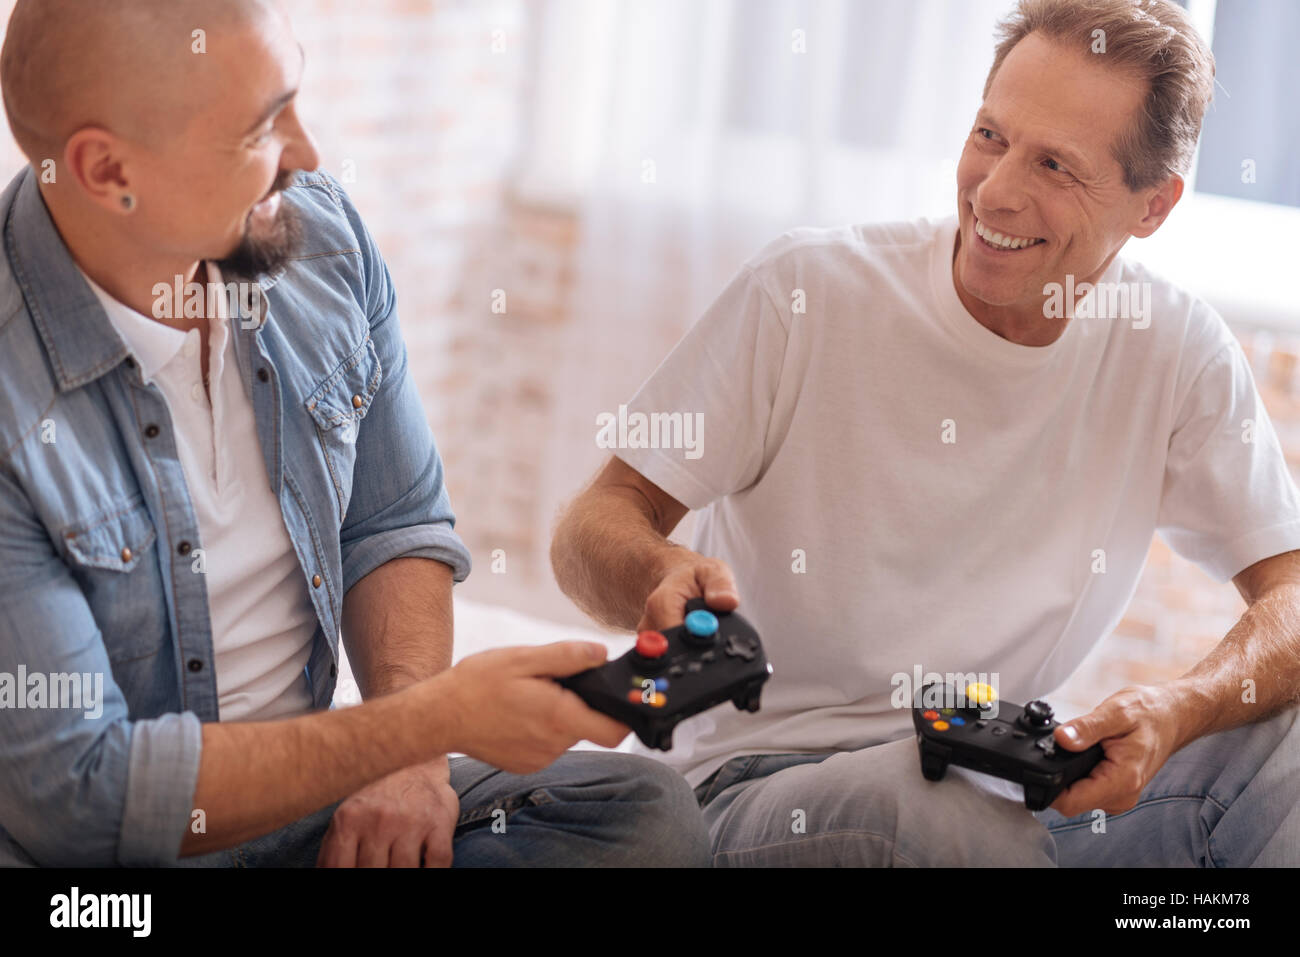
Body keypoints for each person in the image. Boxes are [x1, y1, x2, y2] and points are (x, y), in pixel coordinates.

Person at [551, 0, 1300, 866]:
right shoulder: (808, 291)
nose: (996, 190)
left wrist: (1184, 704)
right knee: (928, 803)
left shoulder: (1175, 349)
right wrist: (658, 567)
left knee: (1283, 750)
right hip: (757, 792)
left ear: (1153, 206)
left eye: (1055, 164)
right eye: (991, 135)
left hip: (998, 792)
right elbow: (593, 523)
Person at [0, 0, 709, 868]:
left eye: (294, 98)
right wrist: (423, 723)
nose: (307, 154)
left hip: (315, 806)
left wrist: (409, 759)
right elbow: (84, 797)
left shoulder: (316, 239)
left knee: (644, 815)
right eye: (260, 129)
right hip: (112, 867)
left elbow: (394, 523)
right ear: (109, 170)